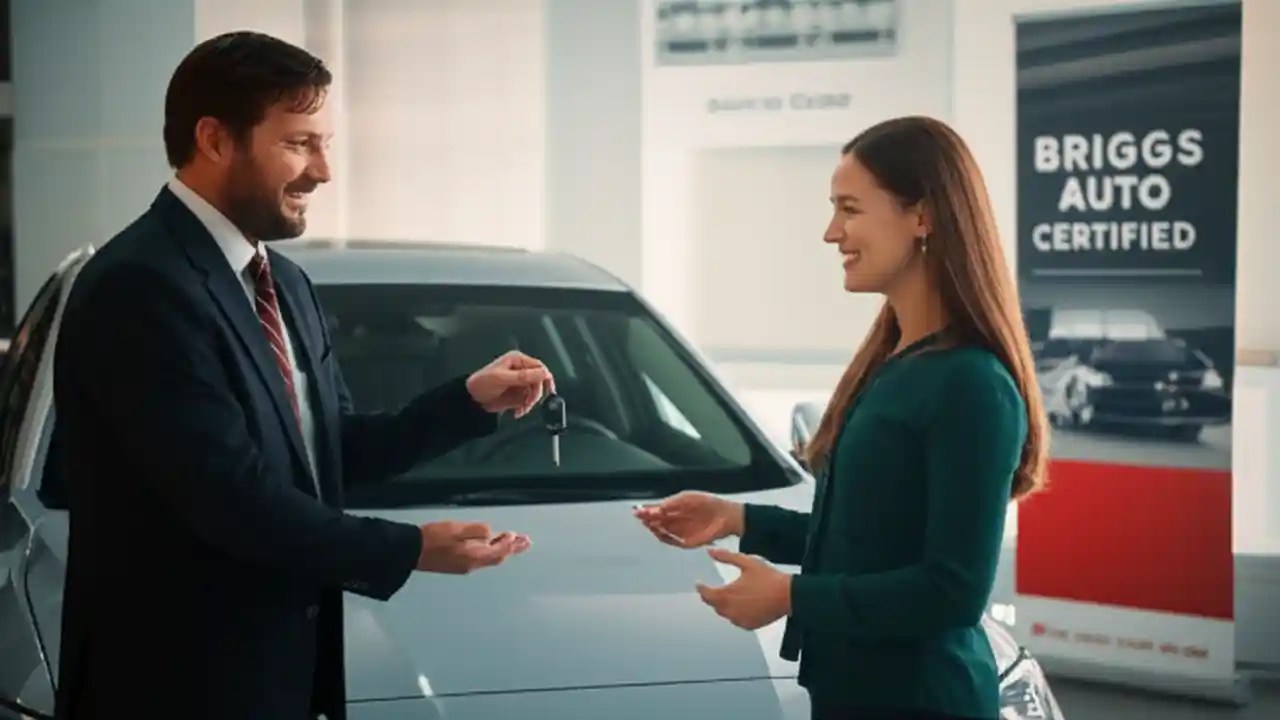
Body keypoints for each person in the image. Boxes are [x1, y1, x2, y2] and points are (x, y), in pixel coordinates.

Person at [52, 31, 550, 720]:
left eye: (326, 143)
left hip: (283, 679)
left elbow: (327, 455)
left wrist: (466, 402)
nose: (322, 171)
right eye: (299, 143)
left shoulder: (284, 282)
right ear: (216, 140)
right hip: (178, 687)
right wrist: (408, 549)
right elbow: (231, 499)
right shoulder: (138, 286)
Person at [635, 116, 1049, 720]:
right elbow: (871, 543)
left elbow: (952, 591)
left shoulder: (972, 384)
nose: (833, 233)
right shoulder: (895, 362)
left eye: (849, 209)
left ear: (923, 216)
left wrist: (792, 595)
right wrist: (737, 517)